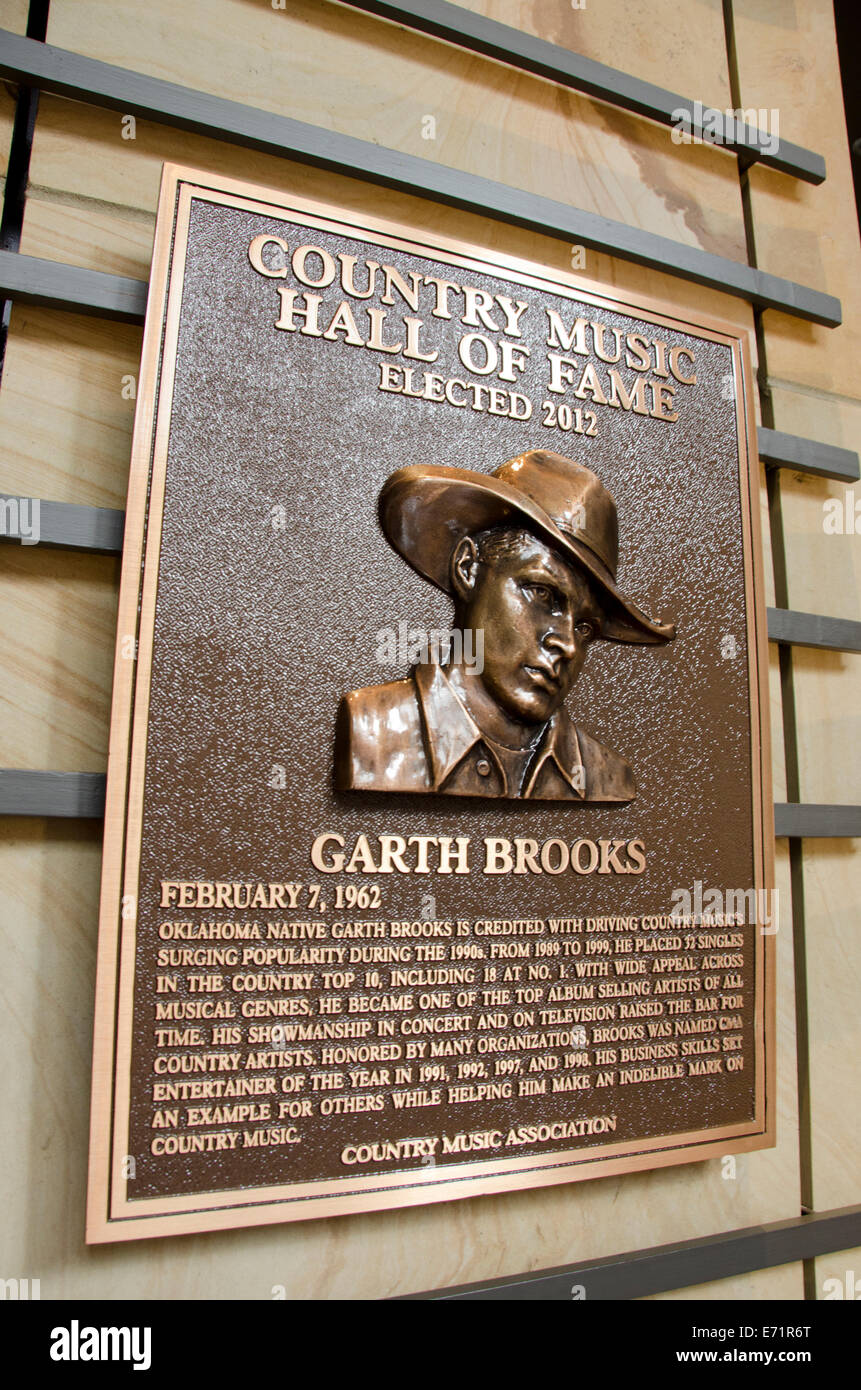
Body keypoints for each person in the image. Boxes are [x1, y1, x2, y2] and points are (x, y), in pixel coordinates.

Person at [335, 449, 675, 801]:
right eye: (543, 594)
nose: (569, 645)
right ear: (468, 569)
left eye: (586, 628)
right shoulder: (371, 732)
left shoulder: (607, 776)